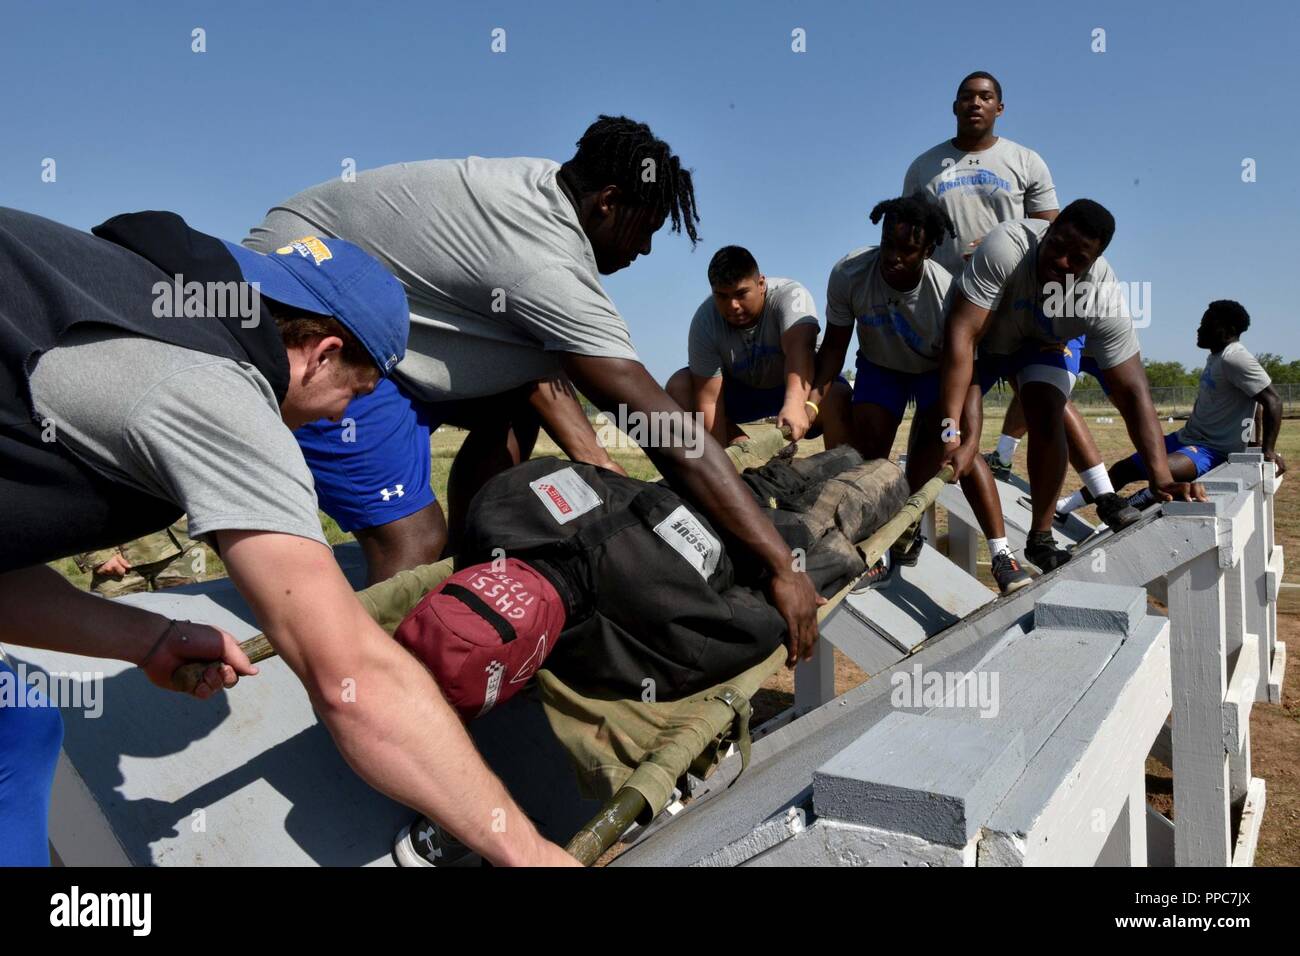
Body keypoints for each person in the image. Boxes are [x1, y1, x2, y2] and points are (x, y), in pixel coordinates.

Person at [0, 207, 576, 866]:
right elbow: (350, 678)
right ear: (323, 353)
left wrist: (145, 637)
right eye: (355, 394)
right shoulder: (214, 390)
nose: (341, 415)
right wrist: (528, 852)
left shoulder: (147, 294)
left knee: (17, 728)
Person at [245, 115, 821, 654]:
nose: (643, 250)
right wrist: (779, 563)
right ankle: (362, 689)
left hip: (375, 306)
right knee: (411, 540)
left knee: (518, 385)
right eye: (643, 231)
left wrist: (597, 461)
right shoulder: (542, 259)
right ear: (608, 203)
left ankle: (466, 571)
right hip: (299, 302)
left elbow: (543, 373)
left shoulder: (544, 191)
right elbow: (665, 428)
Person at [934, 199, 1205, 571]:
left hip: (1041, 342)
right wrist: (950, 431)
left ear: (1093, 264)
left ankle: (1040, 537)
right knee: (953, 429)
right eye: (1058, 246)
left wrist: (1160, 476)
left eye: (1077, 260)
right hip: (988, 338)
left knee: (1047, 408)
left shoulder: (1100, 296)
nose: (1061, 262)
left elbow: (1132, 391)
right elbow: (962, 336)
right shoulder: (1005, 249)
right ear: (1049, 228)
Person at [811, 193, 1031, 593]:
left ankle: (1002, 554)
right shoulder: (849, 273)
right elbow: (833, 347)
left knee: (954, 452)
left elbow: (967, 373)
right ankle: (878, 552)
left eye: (908, 249)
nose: (893, 256)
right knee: (871, 460)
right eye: (888, 244)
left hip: (936, 375)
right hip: (881, 369)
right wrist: (810, 399)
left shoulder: (948, 294)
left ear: (928, 250)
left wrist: (964, 433)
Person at [1059, 299, 1286, 513]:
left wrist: (1266, 450)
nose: (1199, 328)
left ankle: (1128, 511)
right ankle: (1065, 507)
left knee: (1160, 472)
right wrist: (1254, 441)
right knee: (1124, 468)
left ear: (1226, 329)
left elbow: (1271, 400)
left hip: (1210, 450)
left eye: (1206, 323)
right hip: (1186, 437)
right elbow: (1255, 400)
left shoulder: (1236, 357)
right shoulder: (1217, 356)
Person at [664, 246, 850, 447]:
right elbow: (708, 402)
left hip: (796, 387)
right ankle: (743, 455)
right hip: (744, 393)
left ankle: (842, 470)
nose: (733, 305)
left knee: (838, 395)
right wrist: (719, 462)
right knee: (680, 386)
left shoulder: (790, 296)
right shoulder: (705, 321)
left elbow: (799, 354)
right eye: (722, 296)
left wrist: (797, 405)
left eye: (741, 293)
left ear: (761, 283)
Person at [73, 521, 204, 598]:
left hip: (180, 541)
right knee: (114, 627)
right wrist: (95, 554)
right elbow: (72, 489)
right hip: (115, 557)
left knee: (194, 618)